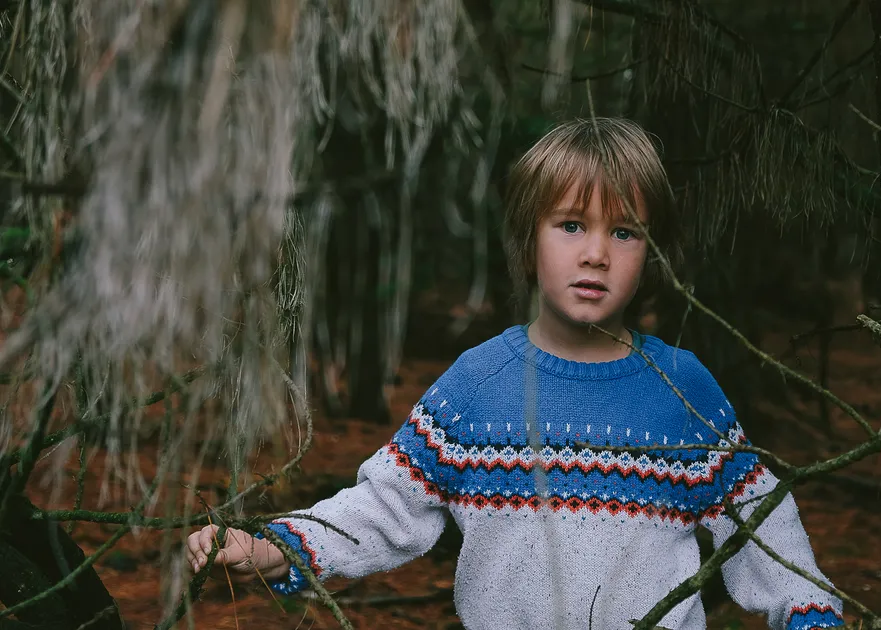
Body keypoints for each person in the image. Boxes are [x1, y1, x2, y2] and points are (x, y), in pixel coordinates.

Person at [186, 117, 844, 629]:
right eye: (570, 224)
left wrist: (811, 612)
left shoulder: (681, 389)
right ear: (528, 240)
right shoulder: (479, 384)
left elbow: (764, 524)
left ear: (651, 253)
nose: (594, 254)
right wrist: (272, 547)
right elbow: (385, 507)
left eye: (624, 232)